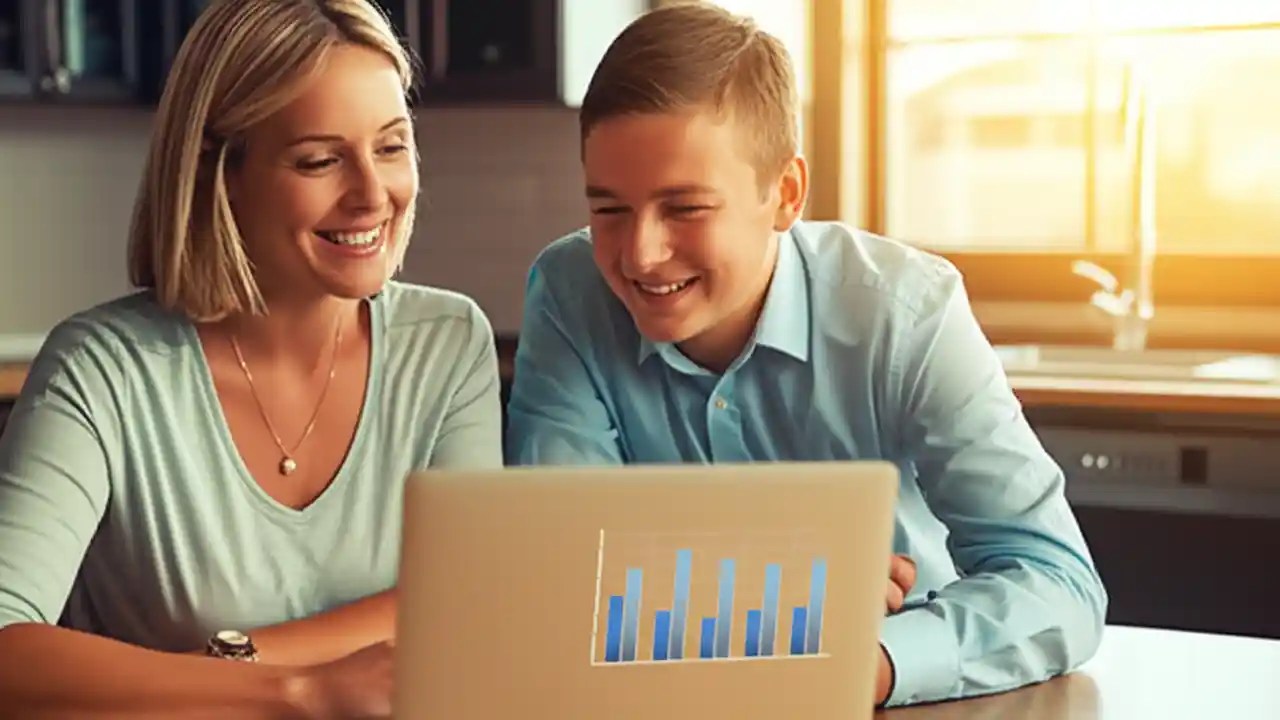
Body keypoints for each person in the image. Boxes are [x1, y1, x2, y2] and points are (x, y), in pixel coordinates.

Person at [505, 1, 1107, 708]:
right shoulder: (569, 291)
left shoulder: (905, 314)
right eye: (608, 209)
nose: (639, 252)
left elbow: (1056, 582)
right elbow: (561, 565)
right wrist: (778, 590)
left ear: (784, 194)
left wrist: (862, 661)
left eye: (685, 208)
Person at [0, 0, 501, 716]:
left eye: (391, 147)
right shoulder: (101, 371)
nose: (371, 194)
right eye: (320, 160)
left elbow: (464, 596)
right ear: (222, 173)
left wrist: (232, 661)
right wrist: (299, 691)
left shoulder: (447, 342)